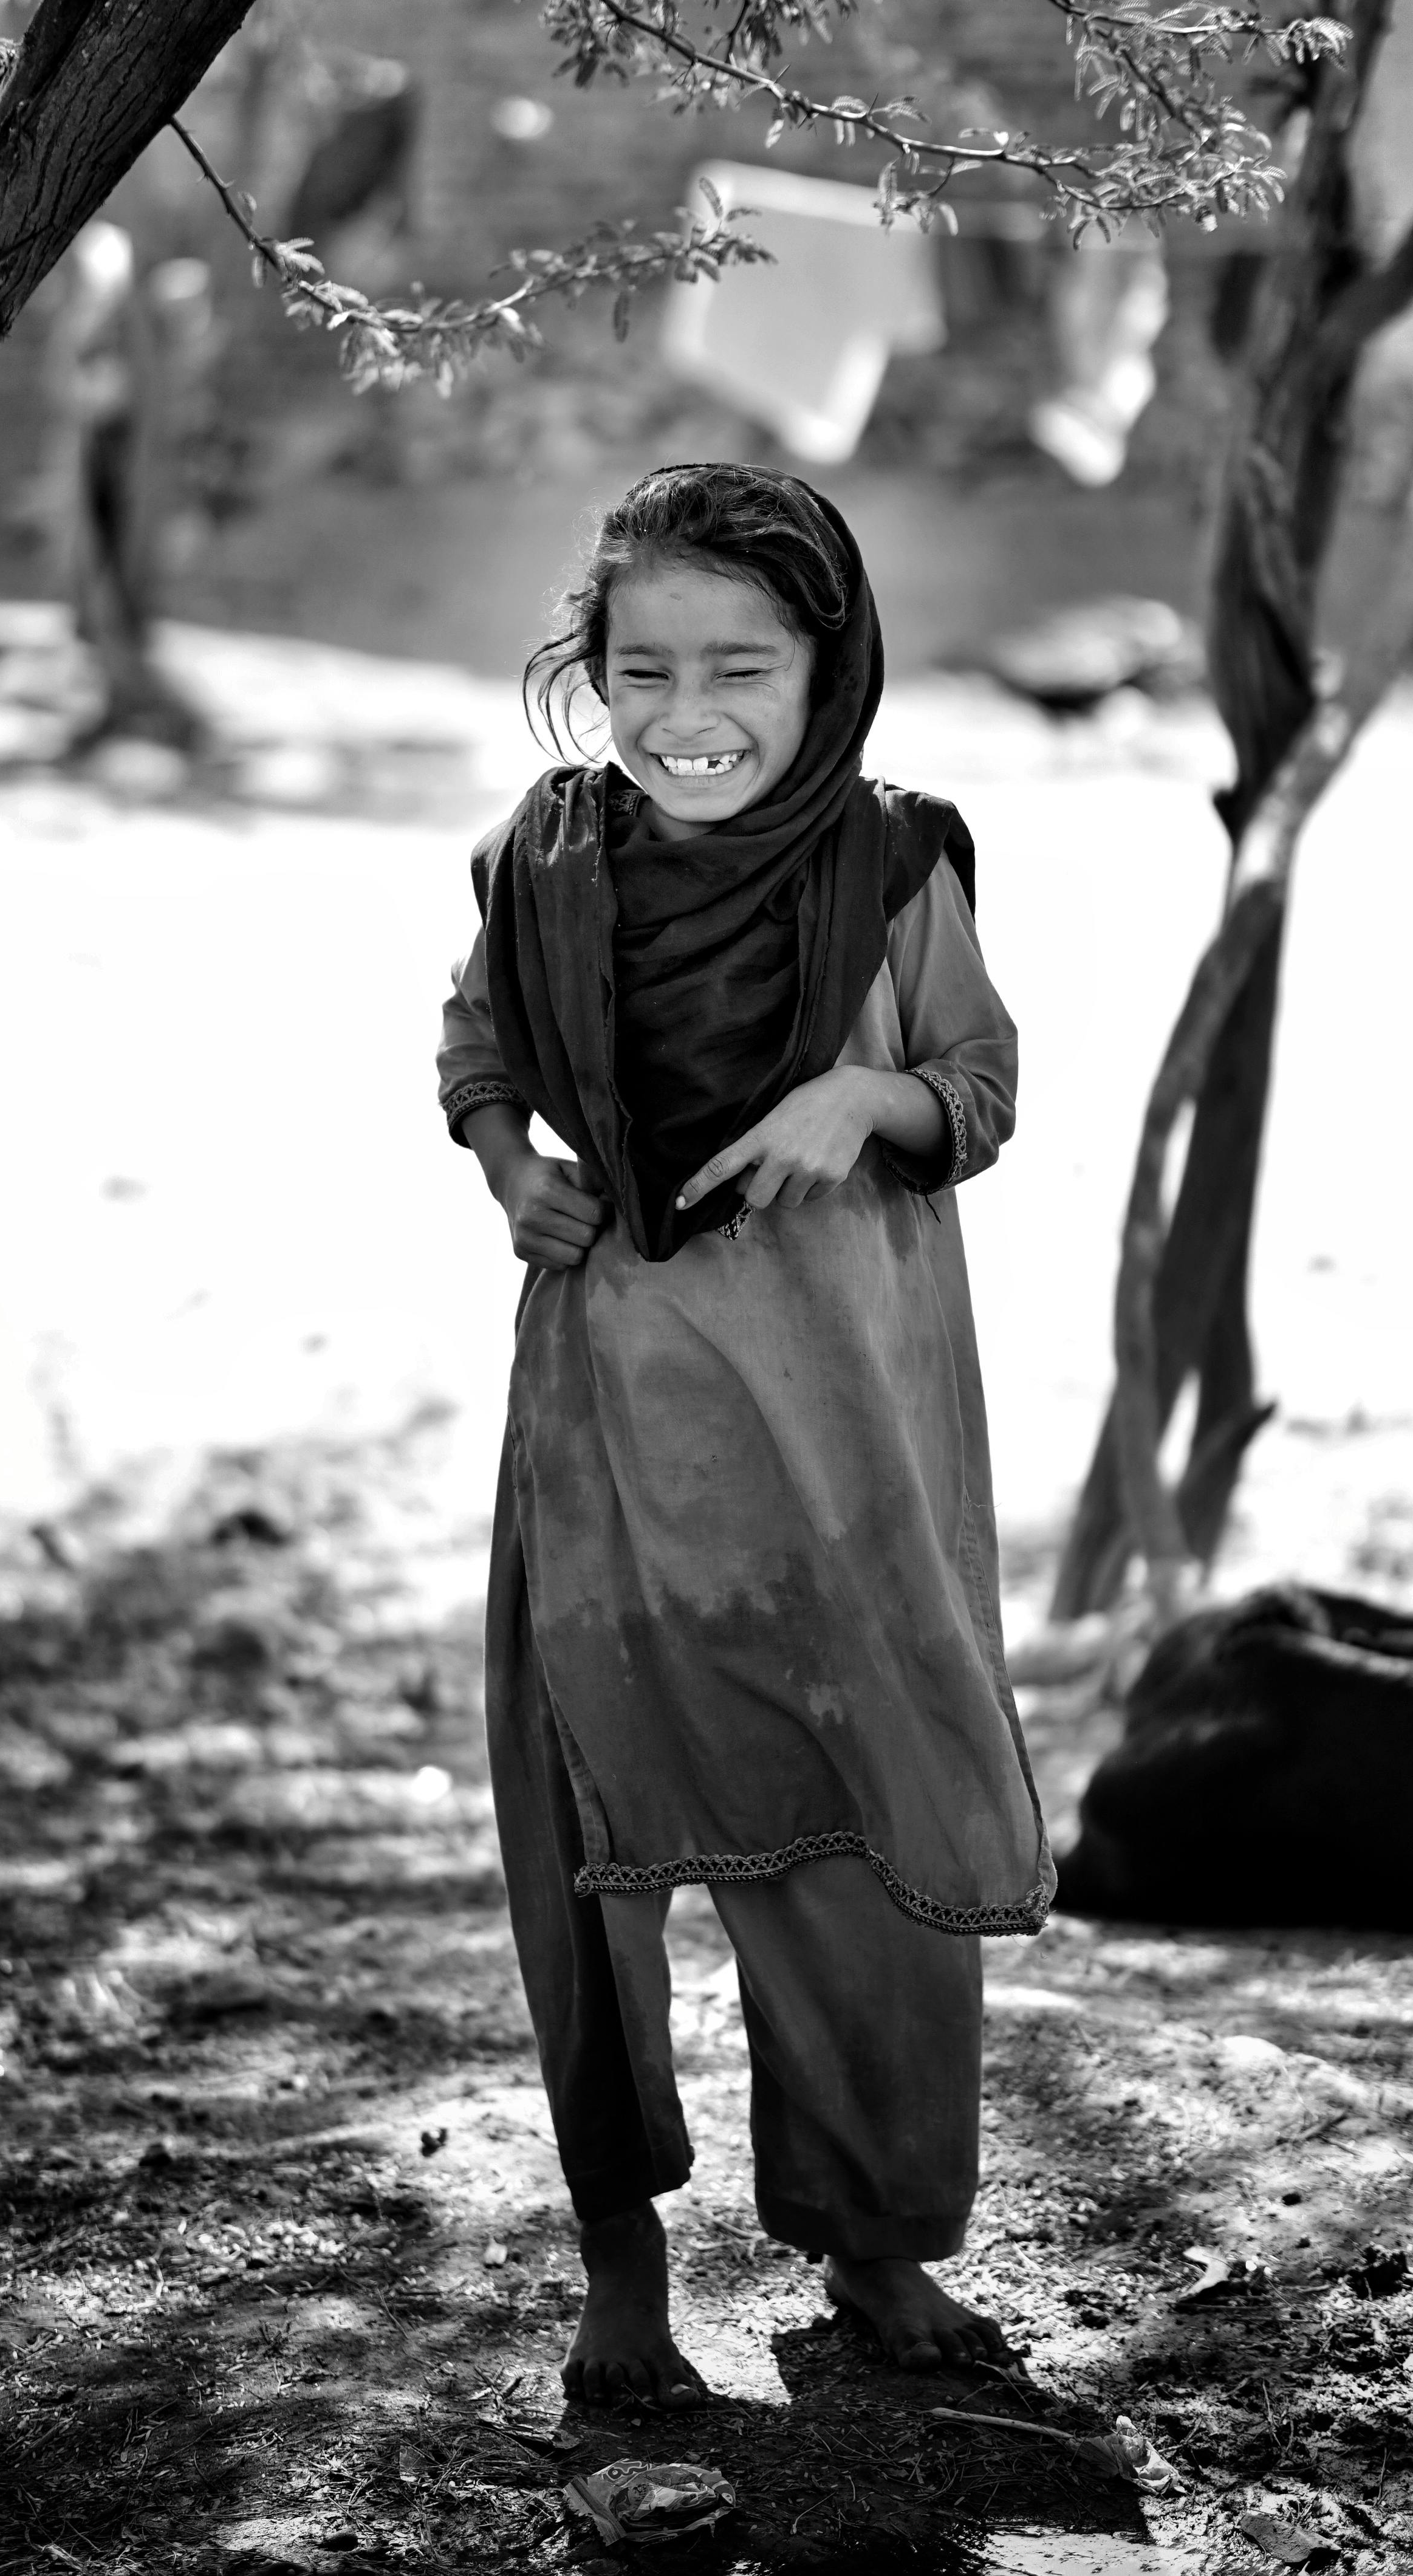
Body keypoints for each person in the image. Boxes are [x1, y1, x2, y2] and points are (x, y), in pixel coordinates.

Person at [436, 462, 1053, 2407]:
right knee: (602, 1860)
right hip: (616, 1451)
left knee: (865, 1848)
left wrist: (855, 1106)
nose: (688, 713)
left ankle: (876, 2255)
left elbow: (980, 1082)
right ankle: (624, 2280)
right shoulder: (541, 865)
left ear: (830, 667)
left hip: (845, 1450)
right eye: (644, 669)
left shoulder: (898, 864)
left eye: (744, 667)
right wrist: (504, 1164)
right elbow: (476, 1050)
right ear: (591, 674)